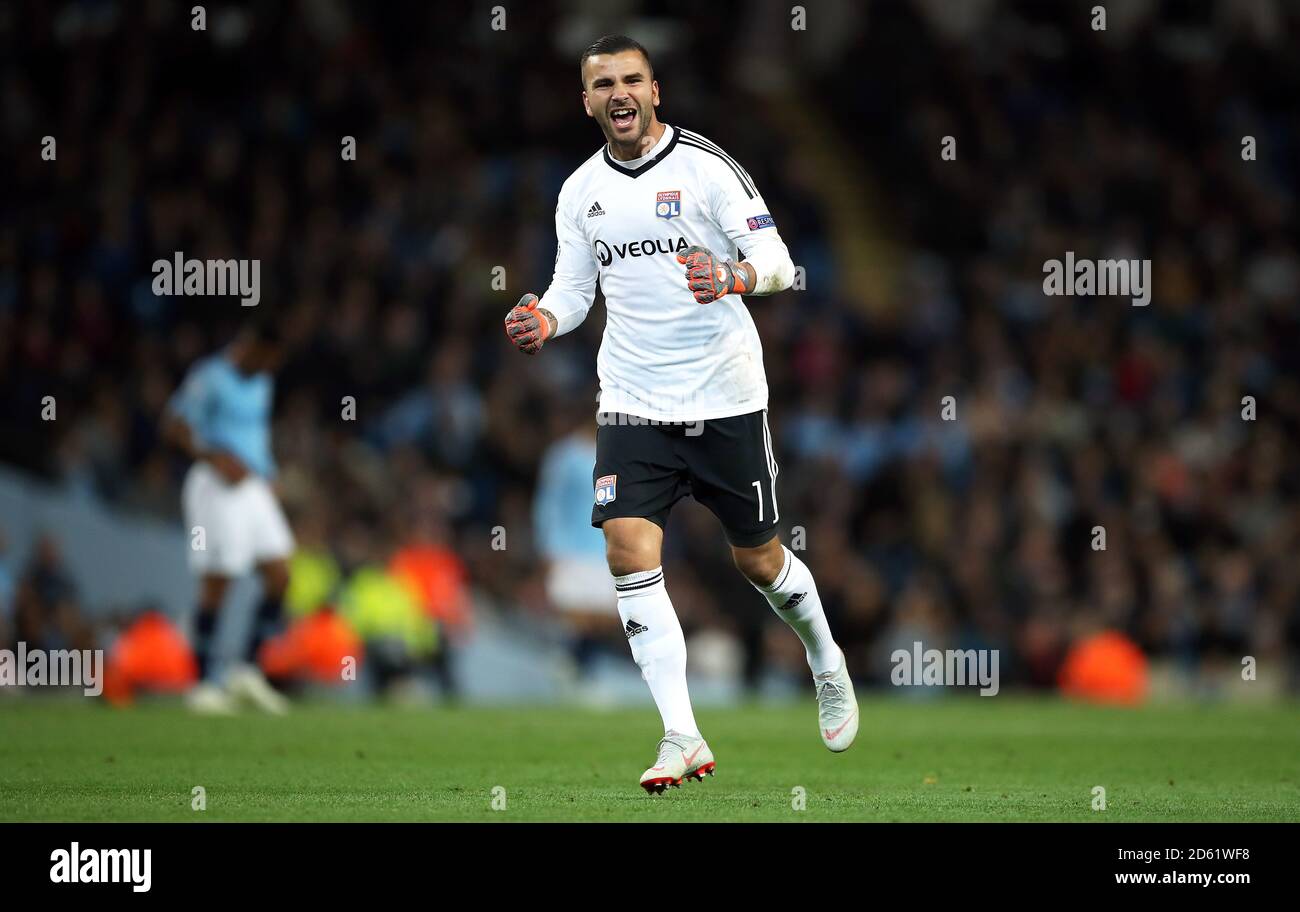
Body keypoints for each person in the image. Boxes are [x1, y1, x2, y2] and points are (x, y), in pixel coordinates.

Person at [504, 35, 858, 794]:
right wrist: (546, 320)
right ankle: (681, 733)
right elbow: (573, 290)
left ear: (655, 91)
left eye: (633, 78)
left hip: (725, 396)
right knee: (629, 552)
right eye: (604, 83)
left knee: (758, 560)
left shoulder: (706, 166)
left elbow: (781, 264)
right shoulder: (580, 191)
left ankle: (825, 658)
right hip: (633, 401)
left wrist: (730, 275)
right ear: (588, 100)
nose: (620, 92)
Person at [162, 319, 293, 714]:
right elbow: (175, 425)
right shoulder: (210, 377)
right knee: (220, 580)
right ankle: (202, 683)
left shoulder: (262, 382)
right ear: (253, 347)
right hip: (215, 484)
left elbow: (254, 434)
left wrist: (267, 474)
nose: (273, 366)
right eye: (270, 357)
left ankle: (246, 672)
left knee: (281, 573)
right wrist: (212, 455)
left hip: (252, 485)